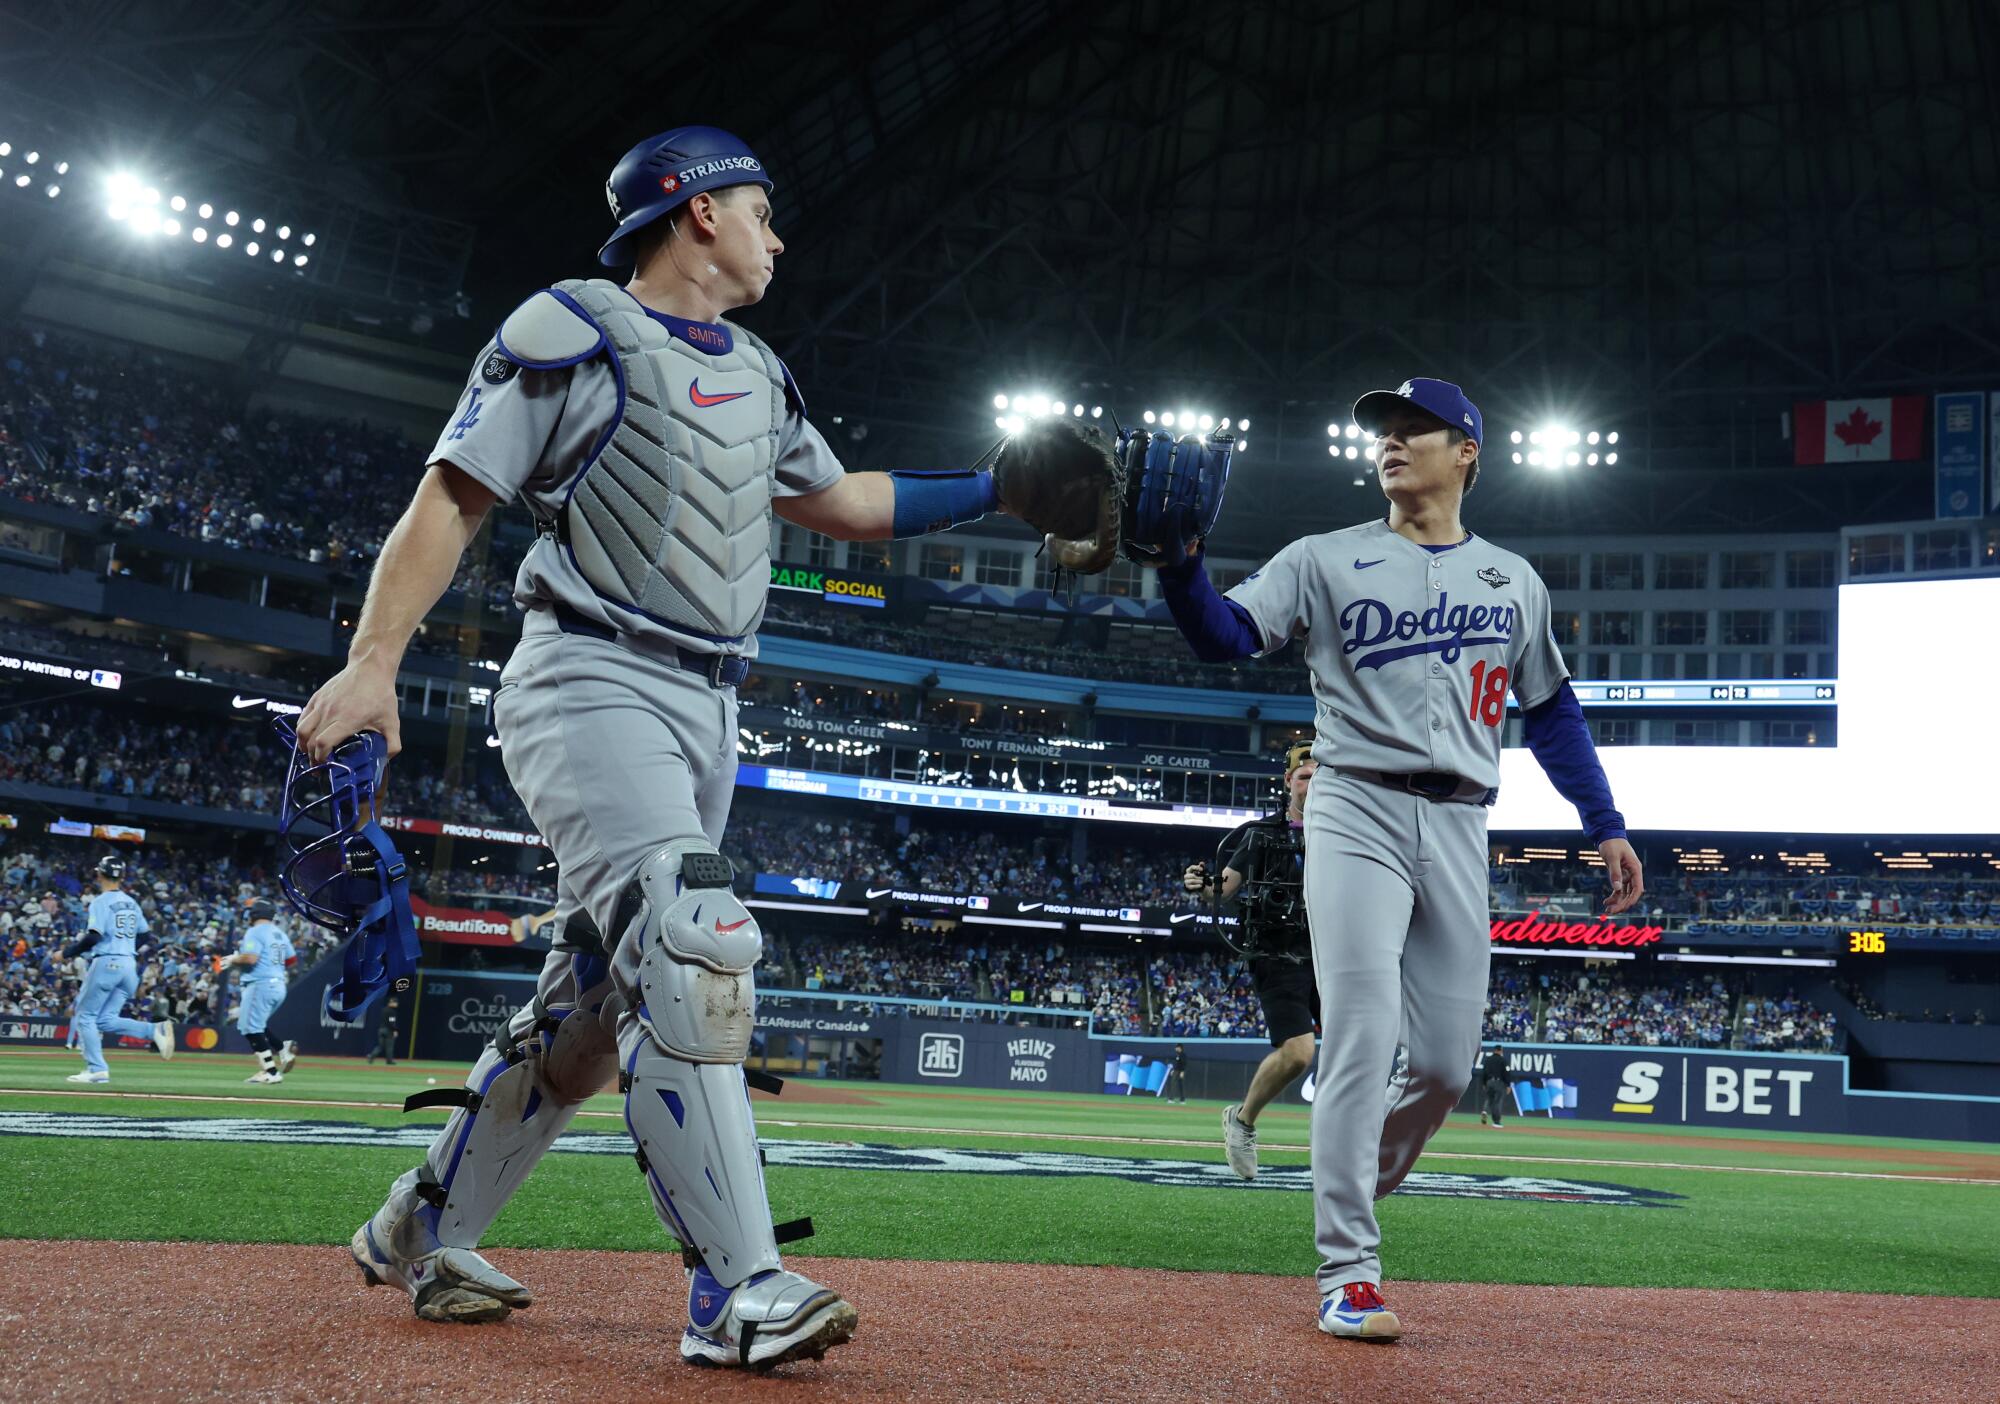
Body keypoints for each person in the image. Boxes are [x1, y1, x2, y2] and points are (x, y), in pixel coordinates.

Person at [296, 125, 1105, 1369]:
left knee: (592, 1008)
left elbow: (838, 504)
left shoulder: (763, 368)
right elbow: (451, 495)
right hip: (589, 671)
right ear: (698, 212)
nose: (777, 235)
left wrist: (993, 488)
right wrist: (373, 658)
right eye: (762, 210)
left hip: (709, 707)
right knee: (696, 933)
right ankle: (738, 1292)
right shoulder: (569, 326)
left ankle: (421, 1225)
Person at [1152, 376, 1644, 1343]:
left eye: (1415, 428)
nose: (1391, 441)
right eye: (1383, 428)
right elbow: (1225, 638)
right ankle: (1350, 1269)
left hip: (1464, 819)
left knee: (1447, 1064)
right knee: (1364, 1032)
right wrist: (1182, 564)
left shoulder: (1513, 579)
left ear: (1467, 452)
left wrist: (1606, 818)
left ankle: (1346, 1189)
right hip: (1353, 805)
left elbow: (1550, 711)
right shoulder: (1324, 558)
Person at [1185, 743, 1318, 1179]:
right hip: (1277, 952)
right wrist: (1200, 885)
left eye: (1321, 777)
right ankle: (1242, 1121)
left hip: (1335, 952)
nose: (1313, 784)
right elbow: (1221, 890)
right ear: (1288, 782)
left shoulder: (1346, 832)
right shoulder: (1261, 835)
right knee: (1299, 1054)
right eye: (1305, 777)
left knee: (1361, 1051)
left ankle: (1343, 1140)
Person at [62, 855, 175, 1083]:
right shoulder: (131, 902)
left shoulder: (101, 901)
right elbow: (145, 934)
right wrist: (125, 948)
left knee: (85, 1016)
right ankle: (154, 1031)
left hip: (107, 962)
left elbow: (94, 936)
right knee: (105, 1020)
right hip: (129, 967)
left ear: (99, 874)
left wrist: (66, 953)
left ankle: (96, 1069)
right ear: (122, 876)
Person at [217, 900, 297, 1084]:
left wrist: (234, 959)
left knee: (250, 1027)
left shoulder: (255, 931)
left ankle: (271, 1071)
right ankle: (282, 1049)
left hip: (260, 984)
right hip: (278, 984)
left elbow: (251, 958)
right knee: (255, 1025)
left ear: (254, 914)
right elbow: (292, 960)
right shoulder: (280, 933)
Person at [1478, 1044, 1509, 1127]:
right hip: (1498, 1082)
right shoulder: (1503, 1060)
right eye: (1501, 1050)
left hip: (1489, 1082)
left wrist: (1484, 1083)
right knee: (1497, 1102)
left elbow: (1484, 1072)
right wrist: (1508, 1085)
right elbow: (1506, 1073)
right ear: (1499, 1051)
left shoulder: (1488, 1059)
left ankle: (1485, 1111)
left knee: (1489, 1099)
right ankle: (1496, 1121)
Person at [367, 994, 401, 1065]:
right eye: (395, 1002)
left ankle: (371, 1056)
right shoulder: (392, 1011)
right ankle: (389, 1061)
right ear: (391, 1003)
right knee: (389, 1047)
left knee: (380, 1046)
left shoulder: (384, 1009)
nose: (396, 1004)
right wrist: (395, 1030)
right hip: (388, 1031)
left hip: (381, 1029)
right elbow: (391, 1022)